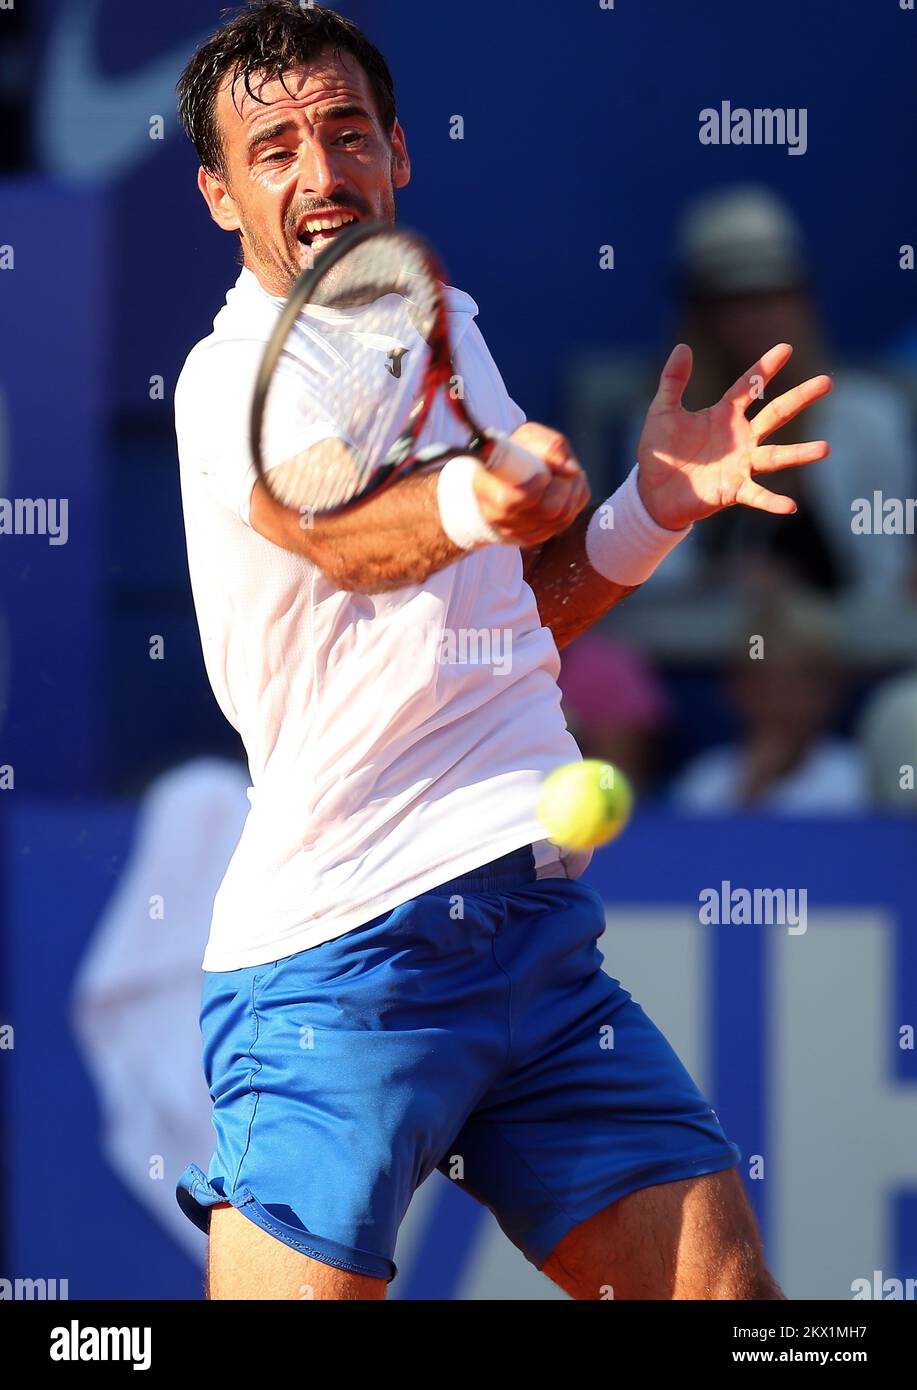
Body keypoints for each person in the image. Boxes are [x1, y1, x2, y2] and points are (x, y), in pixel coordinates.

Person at [172, 1, 832, 1301]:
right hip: (338, 963)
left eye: (345, 132)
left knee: (733, 1308)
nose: (321, 174)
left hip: (528, 929)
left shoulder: (440, 325)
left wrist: (651, 509)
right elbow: (334, 534)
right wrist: (475, 497)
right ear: (219, 195)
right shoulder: (234, 373)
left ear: (398, 151)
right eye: (275, 149)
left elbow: (507, 613)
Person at [618, 186, 916, 600]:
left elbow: (887, 583)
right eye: (733, 302)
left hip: (848, 663)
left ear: (802, 302)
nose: (755, 319)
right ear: (699, 317)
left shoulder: (869, 419)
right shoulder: (662, 423)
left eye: (773, 297)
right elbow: (644, 580)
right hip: (703, 662)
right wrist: (723, 583)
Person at [670, 587, 866, 814]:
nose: (779, 702)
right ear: (735, 689)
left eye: (796, 686)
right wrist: (750, 790)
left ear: (830, 691)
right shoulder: (704, 780)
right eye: (763, 685)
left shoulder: (856, 779)